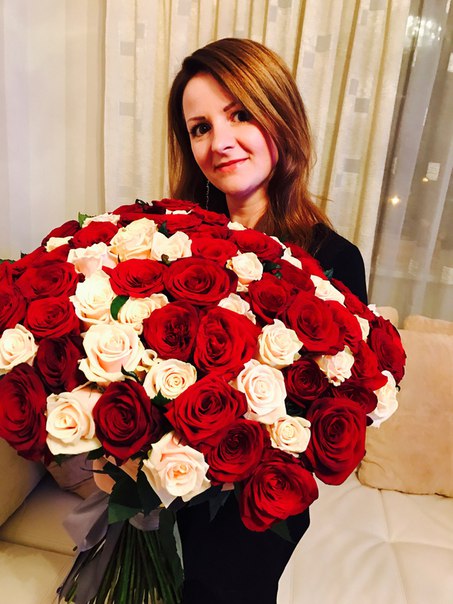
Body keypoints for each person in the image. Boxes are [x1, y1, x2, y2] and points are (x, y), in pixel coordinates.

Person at [167, 38, 368, 604]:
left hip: (262, 504)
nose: (220, 142)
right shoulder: (171, 240)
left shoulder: (335, 260)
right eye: (200, 127)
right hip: (175, 486)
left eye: (240, 115)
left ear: (279, 116)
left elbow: (335, 408)